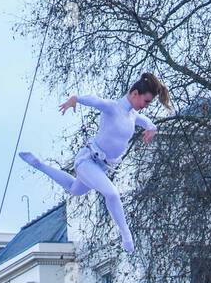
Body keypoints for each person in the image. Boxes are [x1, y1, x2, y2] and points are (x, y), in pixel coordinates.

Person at [20, 72, 172, 253]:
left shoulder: (132, 115)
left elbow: (148, 122)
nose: (145, 106)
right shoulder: (113, 107)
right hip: (88, 161)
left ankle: (39, 165)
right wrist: (76, 99)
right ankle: (126, 234)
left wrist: (152, 129)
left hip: (102, 167)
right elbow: (96, 101)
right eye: (145, 102)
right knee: (113, 194)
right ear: (134, 94)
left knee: (74, 189)